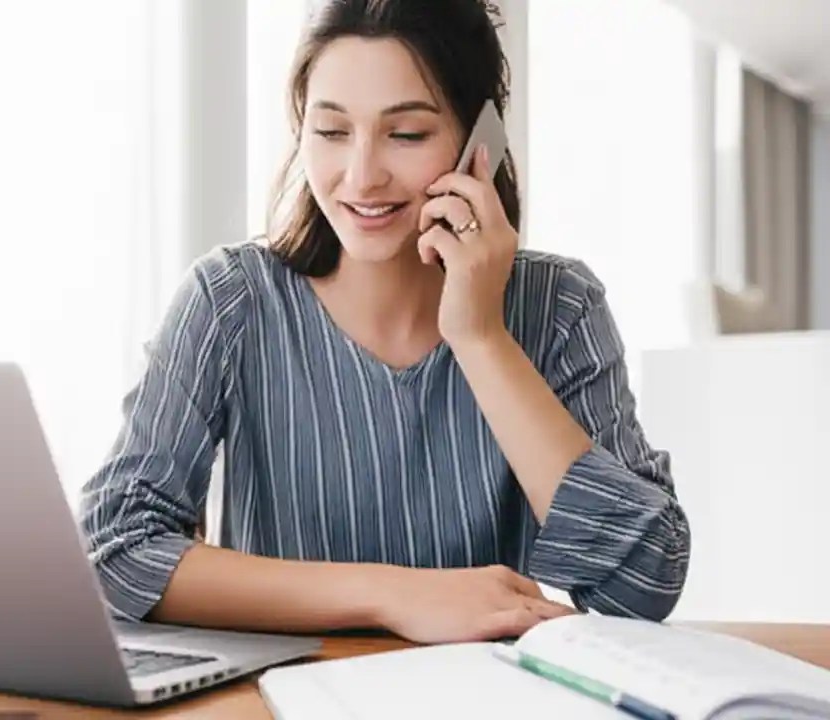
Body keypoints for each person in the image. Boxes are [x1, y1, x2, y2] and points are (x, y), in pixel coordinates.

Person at [77, 0, 690, 645]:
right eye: (333, 132)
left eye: (407, 134)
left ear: (482, 141)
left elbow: (643, 582)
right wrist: (391, 595)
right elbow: (116, 550)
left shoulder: (558, 307)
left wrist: (482, 338)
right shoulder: (232, 303)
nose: (362, 177)